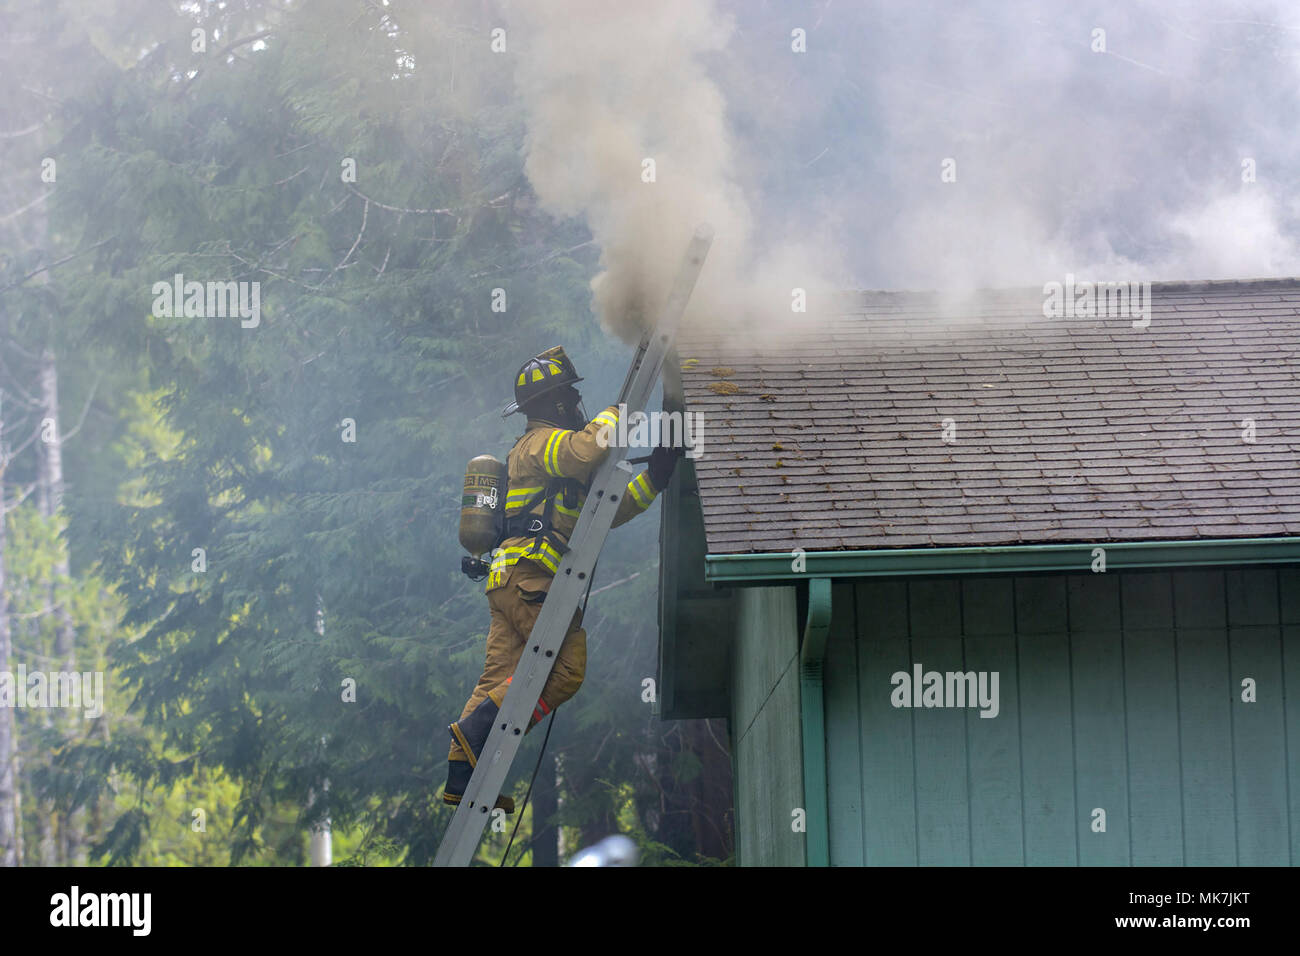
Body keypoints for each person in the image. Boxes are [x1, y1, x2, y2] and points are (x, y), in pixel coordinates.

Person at [443, 346, 681, 811]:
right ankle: (477, 732)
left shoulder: (552, 463)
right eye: (570, 397)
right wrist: (621, 411)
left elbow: (606, 511)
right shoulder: (540, 445)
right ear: (554, 403)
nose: (576, 405)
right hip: (529, 579)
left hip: (511, 582)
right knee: (566, 669)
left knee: (496, 678)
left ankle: (461, 773)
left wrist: (655, 477)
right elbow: (586, 450)